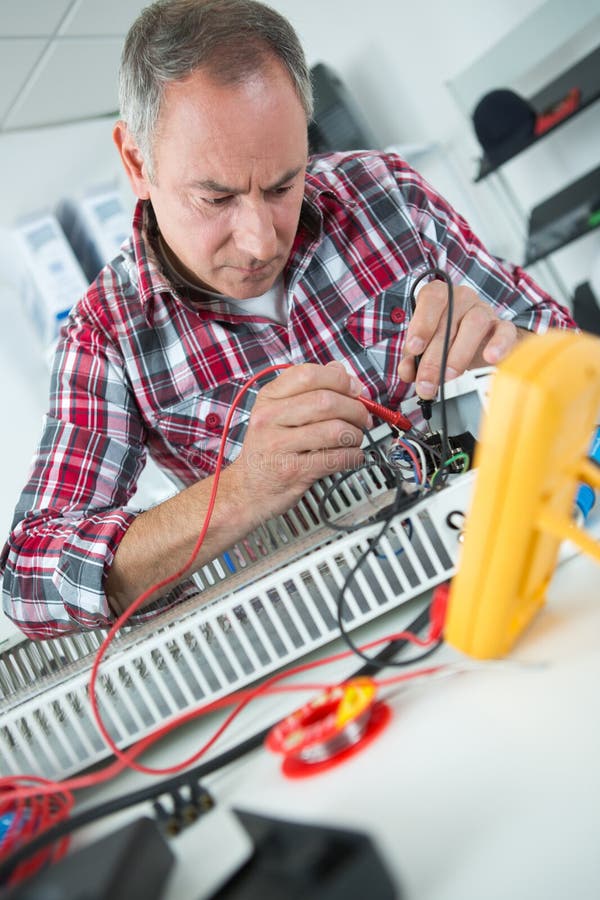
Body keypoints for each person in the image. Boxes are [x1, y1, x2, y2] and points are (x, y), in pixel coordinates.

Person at [1, 0, 575, 640]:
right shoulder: (106, 334)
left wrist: (509, 350)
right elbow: (29, 580)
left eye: (281, 185)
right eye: (215, 198)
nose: (258, 241)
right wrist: (242, 488)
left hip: (522, 562)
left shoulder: (387, 193)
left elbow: (572, 354)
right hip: (339, 638)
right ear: (138, 163)